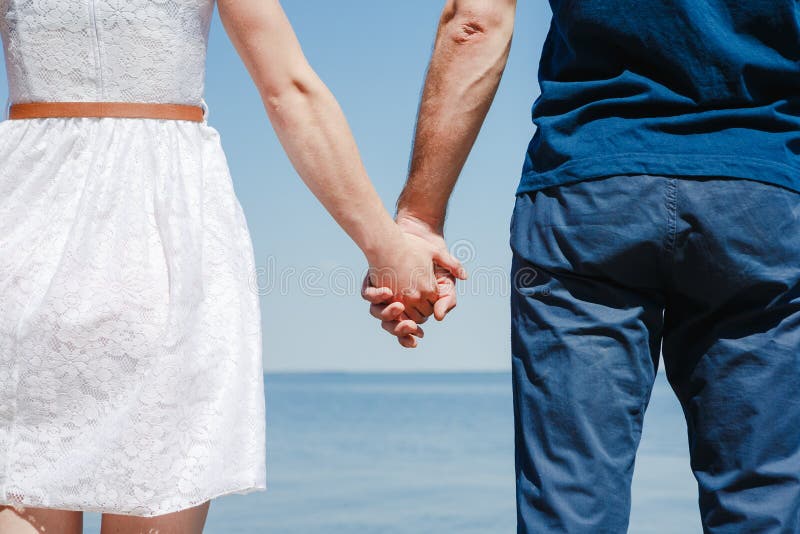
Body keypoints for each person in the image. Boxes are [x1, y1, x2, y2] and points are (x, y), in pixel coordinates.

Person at [0, 1, 461, 533]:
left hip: (28, 209)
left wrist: (390, 250)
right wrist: (390, 251)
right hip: (170, 231)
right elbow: (288, 89)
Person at [363, 0, 800, 532]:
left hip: (587, 197)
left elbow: (475, 21)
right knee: (766, 498)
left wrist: (418, 219)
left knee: (569, 505)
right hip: (763, 196)